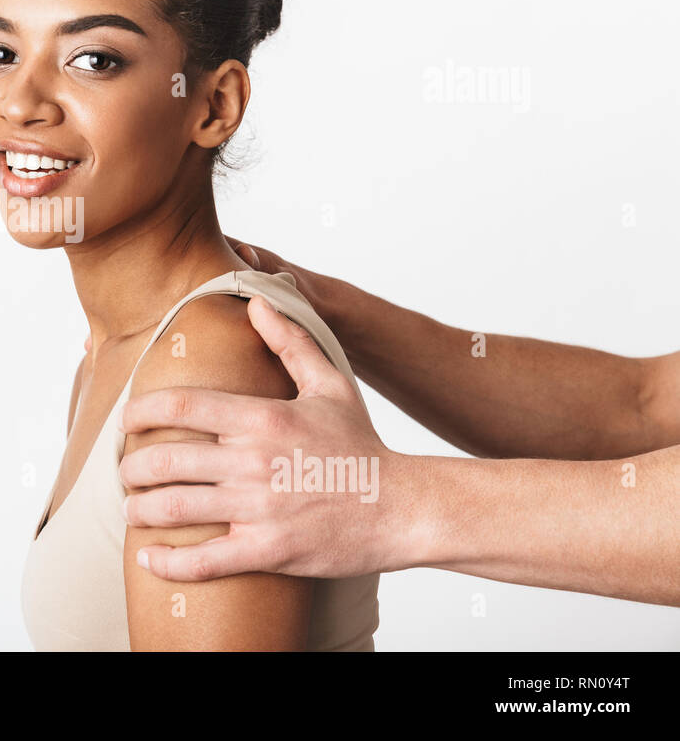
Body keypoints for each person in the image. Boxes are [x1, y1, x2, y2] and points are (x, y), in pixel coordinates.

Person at [0, 0, 380, 650]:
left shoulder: (205, 367)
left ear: (213, 105)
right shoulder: (121, 352)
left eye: (93, 60)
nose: (20, 103)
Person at [119, 242, 680, 608]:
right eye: (22, 54)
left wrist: (392, 501)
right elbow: (645, 405)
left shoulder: (210, 358)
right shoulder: (185, 335)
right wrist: (324, 308)